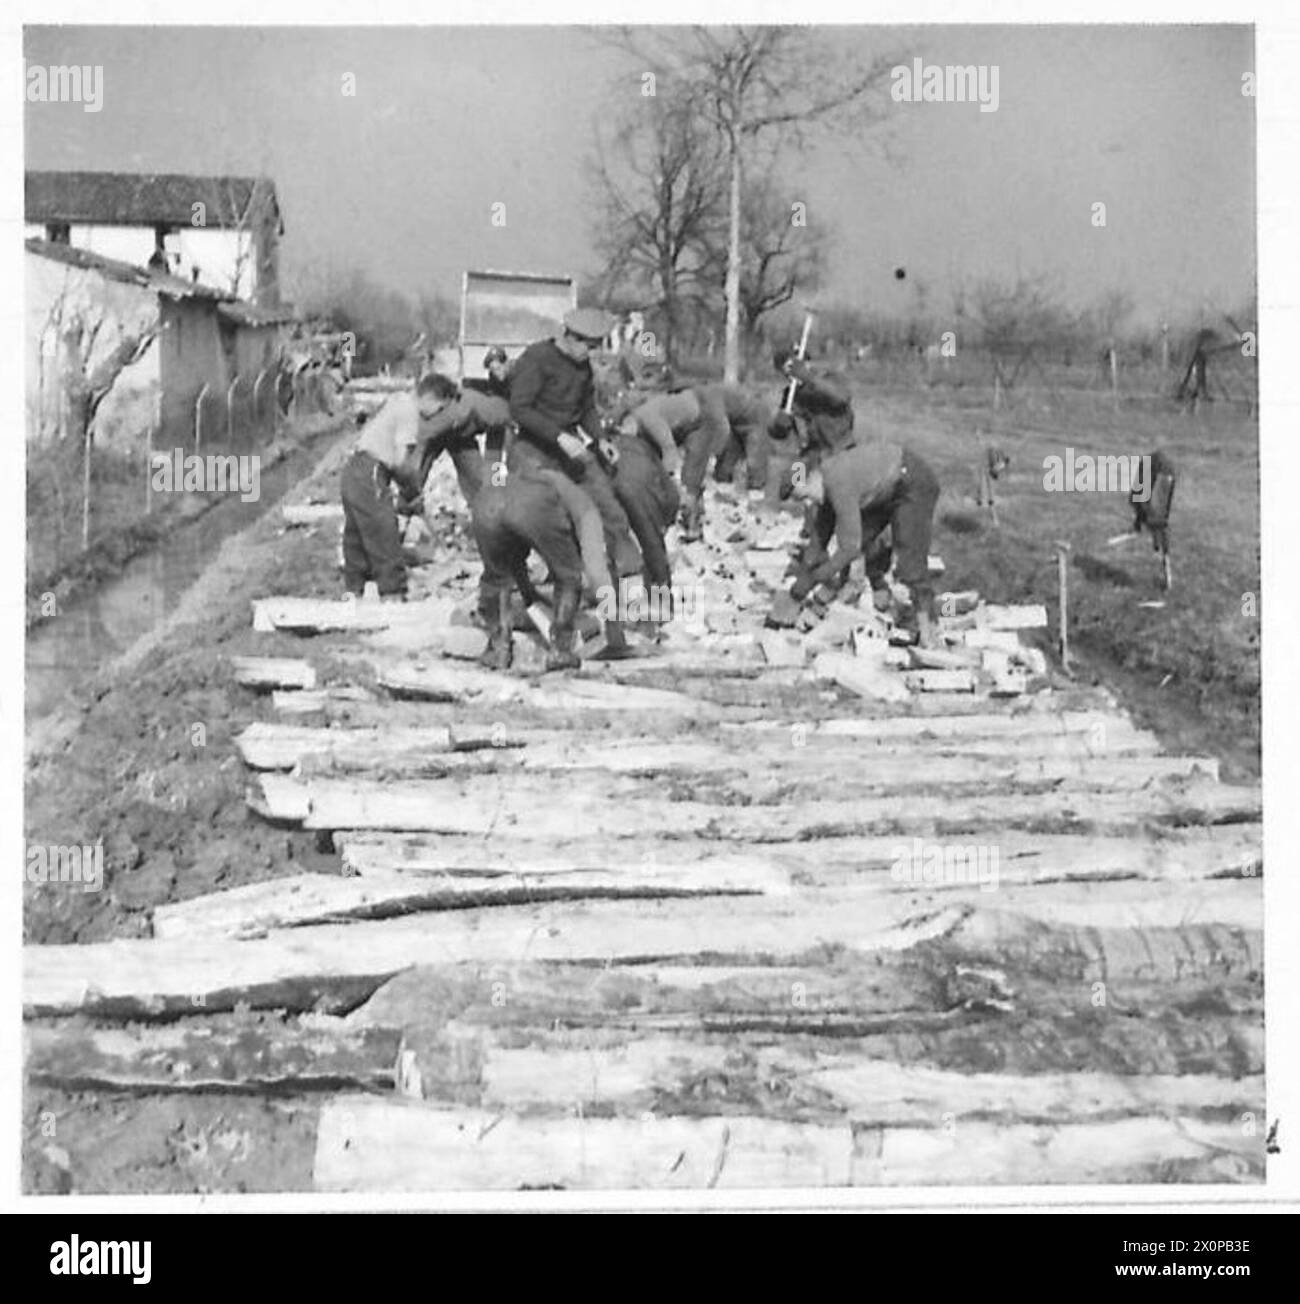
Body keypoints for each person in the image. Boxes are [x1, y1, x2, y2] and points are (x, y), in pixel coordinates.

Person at [508, 307, 643, 582]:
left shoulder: (582, 368)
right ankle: (557, 573)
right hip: (533, 447)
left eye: (596, 347)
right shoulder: (537, 359)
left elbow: (585, 410)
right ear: (569, 337)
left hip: (571, 446)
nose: (591, 353)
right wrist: (558, 436)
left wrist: (600, 438)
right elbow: (519, 409)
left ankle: (626, 569)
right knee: (552, 510)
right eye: (588, 346)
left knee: (606, 501)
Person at [787, 441, 941, 645]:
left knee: (910, 563)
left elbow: (849, 548)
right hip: (887, 486)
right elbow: (819, 539)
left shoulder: (838, 484)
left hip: (912, 480)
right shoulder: (825, 485)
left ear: (813, 478)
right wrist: (804, 576)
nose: (809, 504)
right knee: (864, 539)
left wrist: (814, 579)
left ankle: (928, 629)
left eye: (807, 496)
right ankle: (871, 596)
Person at [473, 466, 592, 672]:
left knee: (497, 575)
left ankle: (498, 649)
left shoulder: (528, 476)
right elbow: (584, 571)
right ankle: (561, 651)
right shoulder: (586, 503)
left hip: (486, 501)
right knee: (569, 576)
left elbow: (515, 563)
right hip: (531, 505)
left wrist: (531, 596)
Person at [340, 373, 445, 598]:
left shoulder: (398, 400)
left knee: (358, 530)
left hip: (354, 467)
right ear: (431, 398)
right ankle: (393, 591)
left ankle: (354, 588)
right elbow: (399, 462)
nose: (437, 414)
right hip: (371, 469)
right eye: (440, 407)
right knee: (383, 529)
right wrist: (411, 489)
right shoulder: (410, 413)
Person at [769, 346, 856, 496]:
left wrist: (808, 377)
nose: (791, 374)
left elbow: (842, 397)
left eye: (793, 367)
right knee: (788, 487)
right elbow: (779, 434)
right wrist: (778, 426)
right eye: (786, 372)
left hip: (841, 451)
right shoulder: (791, 395)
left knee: (827, 491)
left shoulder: (830, 379)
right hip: (810, 455)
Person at [413, 374, 504, 507]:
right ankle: (405, 512)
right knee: (414, 474)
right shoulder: (424, 422)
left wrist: (496, 484)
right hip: (441, 436)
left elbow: (498, 444)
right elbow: (418, 453)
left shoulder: (484, 408)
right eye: (422, 411)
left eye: (431, 411)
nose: (424, 414)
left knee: (479, 480)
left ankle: (485, 511)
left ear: (447, 401)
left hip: (465, 435)